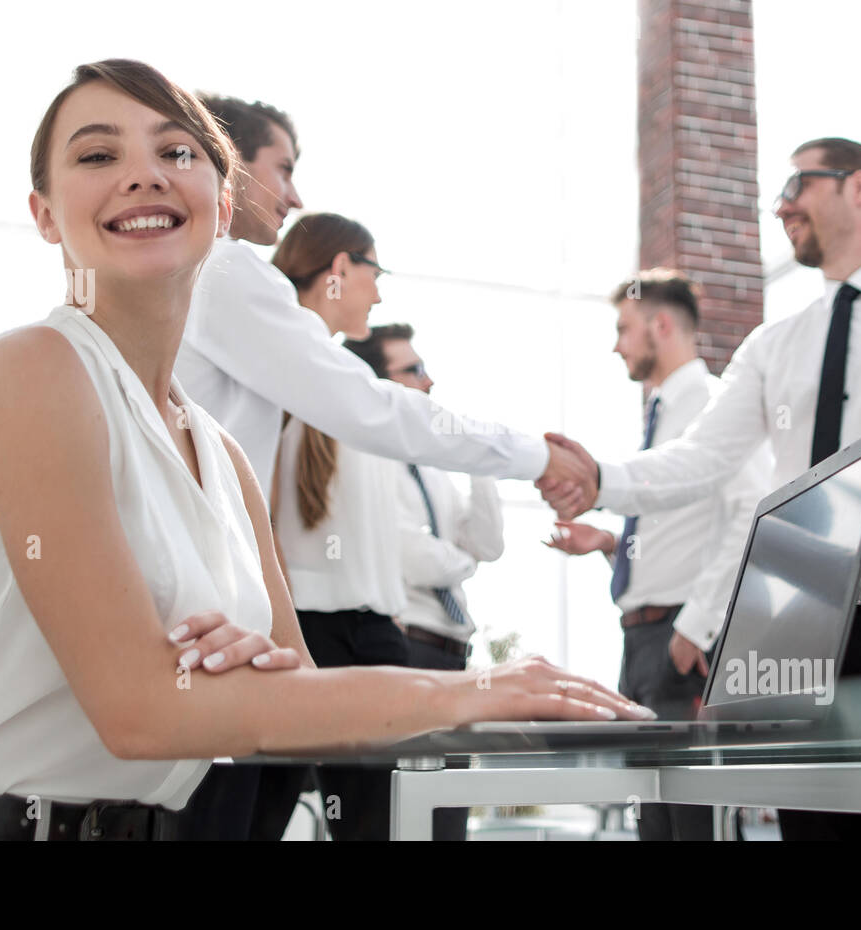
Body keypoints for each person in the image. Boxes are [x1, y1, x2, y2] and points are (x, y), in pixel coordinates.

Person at [0, 59, 650, 842]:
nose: (143, 176)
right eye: (98, 155)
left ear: (224, 204)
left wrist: (252, 672)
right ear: (46, 214)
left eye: (176, 152)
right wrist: (472, 690)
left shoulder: (224, 454)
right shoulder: (31, 370)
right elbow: (141, 710)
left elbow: (294, 708)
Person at [539, 138, 861, 841]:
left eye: (799, 184)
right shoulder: (771, 345)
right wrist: (603, 478)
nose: (781, 203)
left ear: (860, 189)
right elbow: (701, 460)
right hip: (793, 623)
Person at [172, 94, 594, 836]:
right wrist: (536, 453)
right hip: (265, 622)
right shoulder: (233, 278)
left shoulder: (225, 299)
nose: (296, 195)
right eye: (285, 169)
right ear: (233, 165)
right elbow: (374, 415)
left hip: (280, 623)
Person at [543, 270, 770, 841]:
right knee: (656, 822)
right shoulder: (663, 413)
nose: (615, 343)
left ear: (661, 325)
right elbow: (684, 534)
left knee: (694, 824)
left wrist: (696, 626)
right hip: (644, 643)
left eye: (624, 328)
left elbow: (752, 516)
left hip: (682, 642)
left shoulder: (714, 407)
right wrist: (611, 545)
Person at [270, 214, 412, 841]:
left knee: (373, 826)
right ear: (340, 269)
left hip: (375, 636)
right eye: (374, 273)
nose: (378, 293)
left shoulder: (350, 383)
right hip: (301, 631)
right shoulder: (271, 365)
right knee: (261, 810)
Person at [345, 323, 506, 841]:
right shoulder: (363, 459)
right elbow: (410, 556)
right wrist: (464, 561)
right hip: (405, 651)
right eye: (413, 370)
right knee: (396, 821)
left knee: (447, 820)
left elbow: (489, 545)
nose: (430, 381)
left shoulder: (433, 465)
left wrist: (480, 462)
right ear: (378, 381)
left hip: (454, 657)